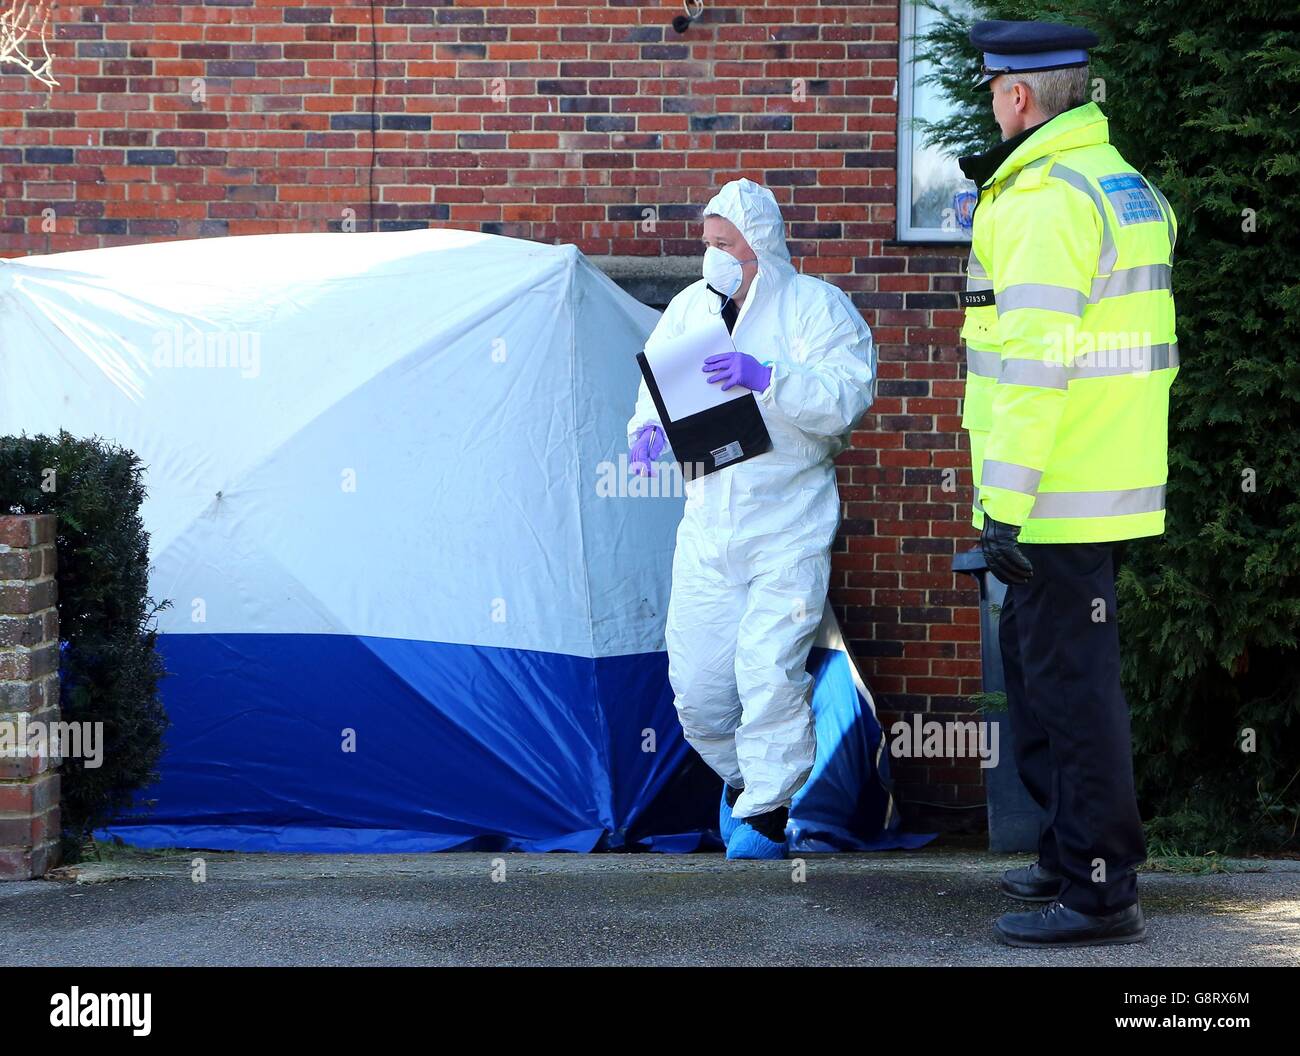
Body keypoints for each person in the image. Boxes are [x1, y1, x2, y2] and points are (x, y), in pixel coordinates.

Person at [957, 20, 1178, 946]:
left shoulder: (1046, 199)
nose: (989, 105)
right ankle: (1064, 852)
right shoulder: (1117, 180)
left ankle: (1099, 891)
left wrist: (1003, 506)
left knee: (1072, 693)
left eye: (991, 92)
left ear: (1017, 97)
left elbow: (1038, 365)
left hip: (1050, 495)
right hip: (1093, 478)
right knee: (1048, 684)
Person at [627, 178, 876, 860]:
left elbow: (848, 396)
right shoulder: (689, 308)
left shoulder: (816, 309)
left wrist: (768, 376)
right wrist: (647, 432)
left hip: (787, 521)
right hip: (709, 524)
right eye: (706, 243)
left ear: (757, 243)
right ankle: (746, 786)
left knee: (769, 673)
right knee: (700, 692)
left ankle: (769, 813)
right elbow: (655, 389)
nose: (711, 256)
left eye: (723, 243)